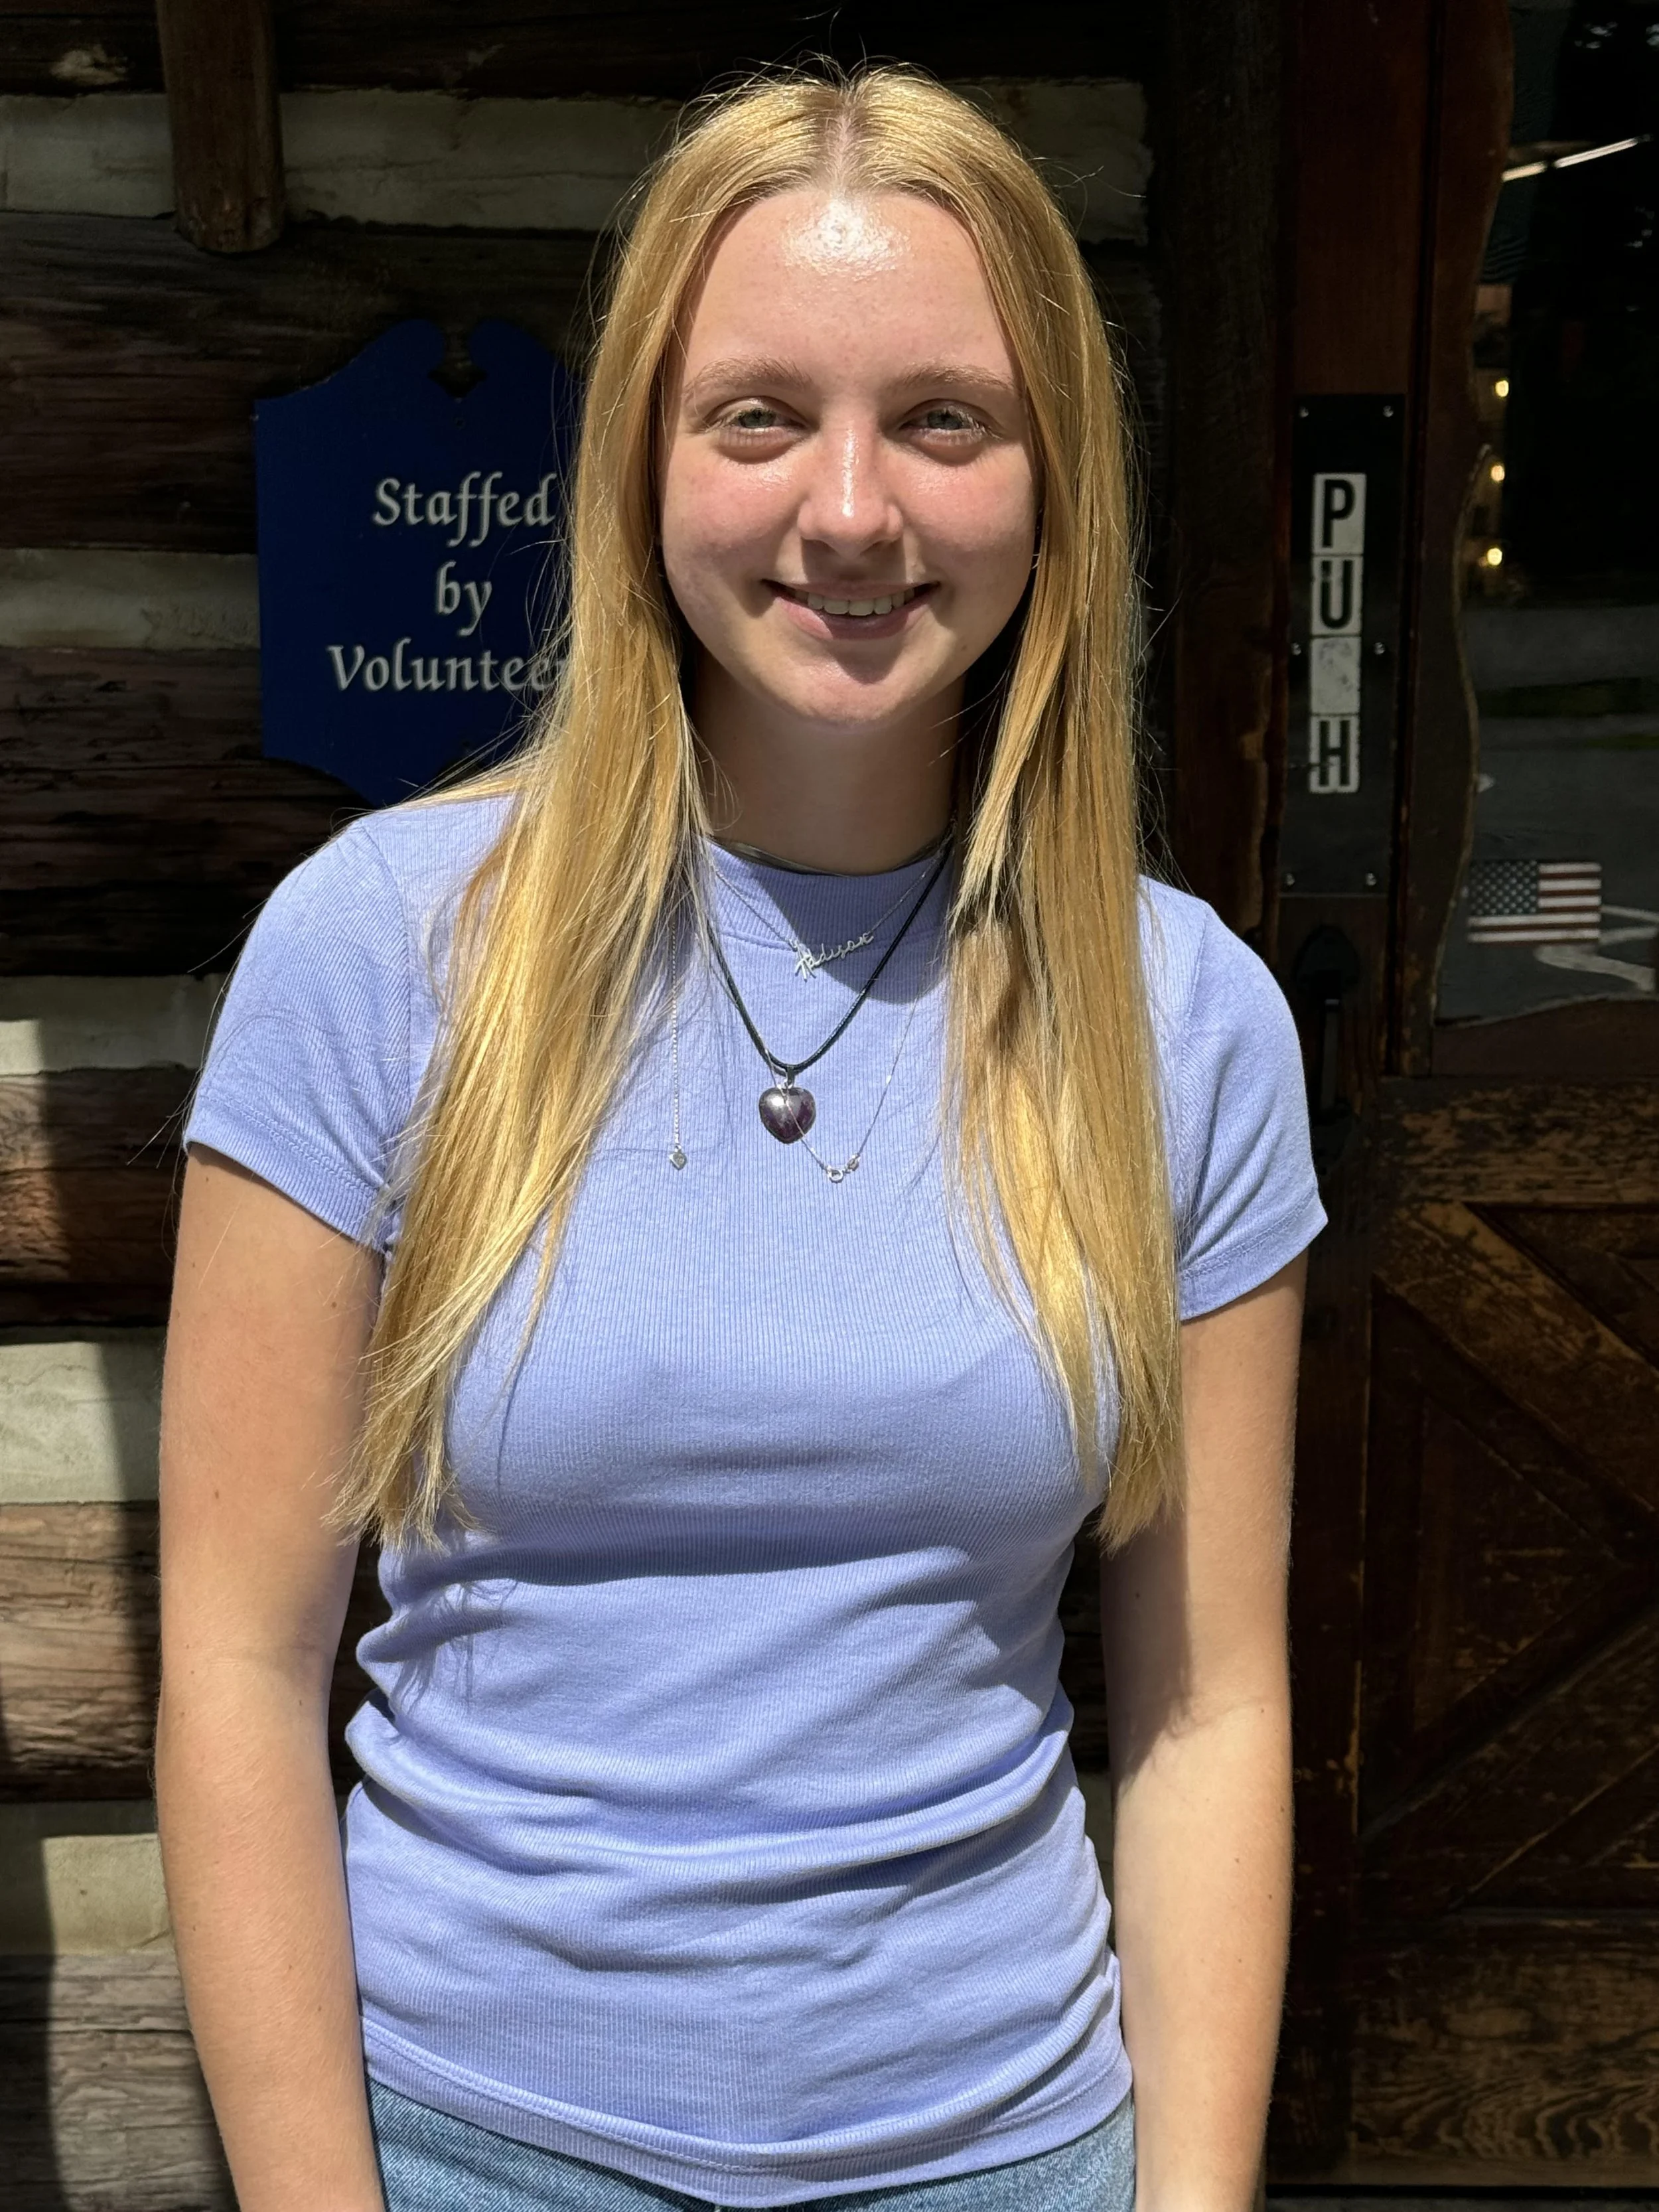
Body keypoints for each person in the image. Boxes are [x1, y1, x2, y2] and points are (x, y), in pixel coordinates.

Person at [157, 66, 1326, 2212]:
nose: (853, 511)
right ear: (639, 466)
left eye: (946, 420)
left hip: (1006, 2148)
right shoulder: (384, 948)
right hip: (470, 2145)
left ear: (1053, 477)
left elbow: (1205, 1709)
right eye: (759, 415)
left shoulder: (1185, 1019)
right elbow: (237, 1666)